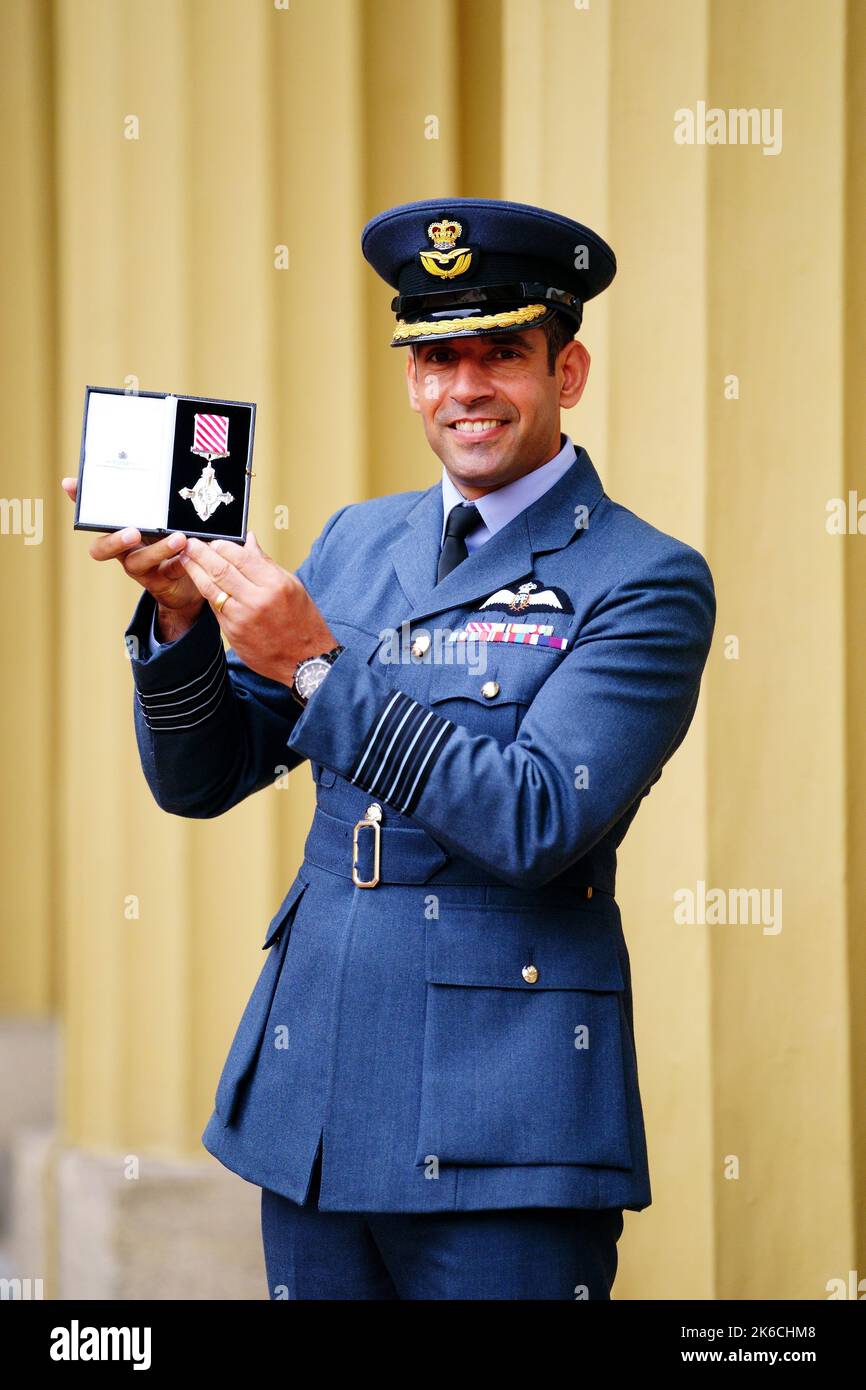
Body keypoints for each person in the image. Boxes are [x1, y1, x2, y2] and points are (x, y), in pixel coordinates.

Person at [62, 196, 716, 1300]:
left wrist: (316, 664)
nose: (463, 386)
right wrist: (178, 618)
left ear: (568, 372)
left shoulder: (643, 576)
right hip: (314, 1086)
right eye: (434, 357)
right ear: (410, 378)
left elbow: (538, 817)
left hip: (501, 1116)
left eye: (500, 352)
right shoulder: (358, 538)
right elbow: (205, 778)